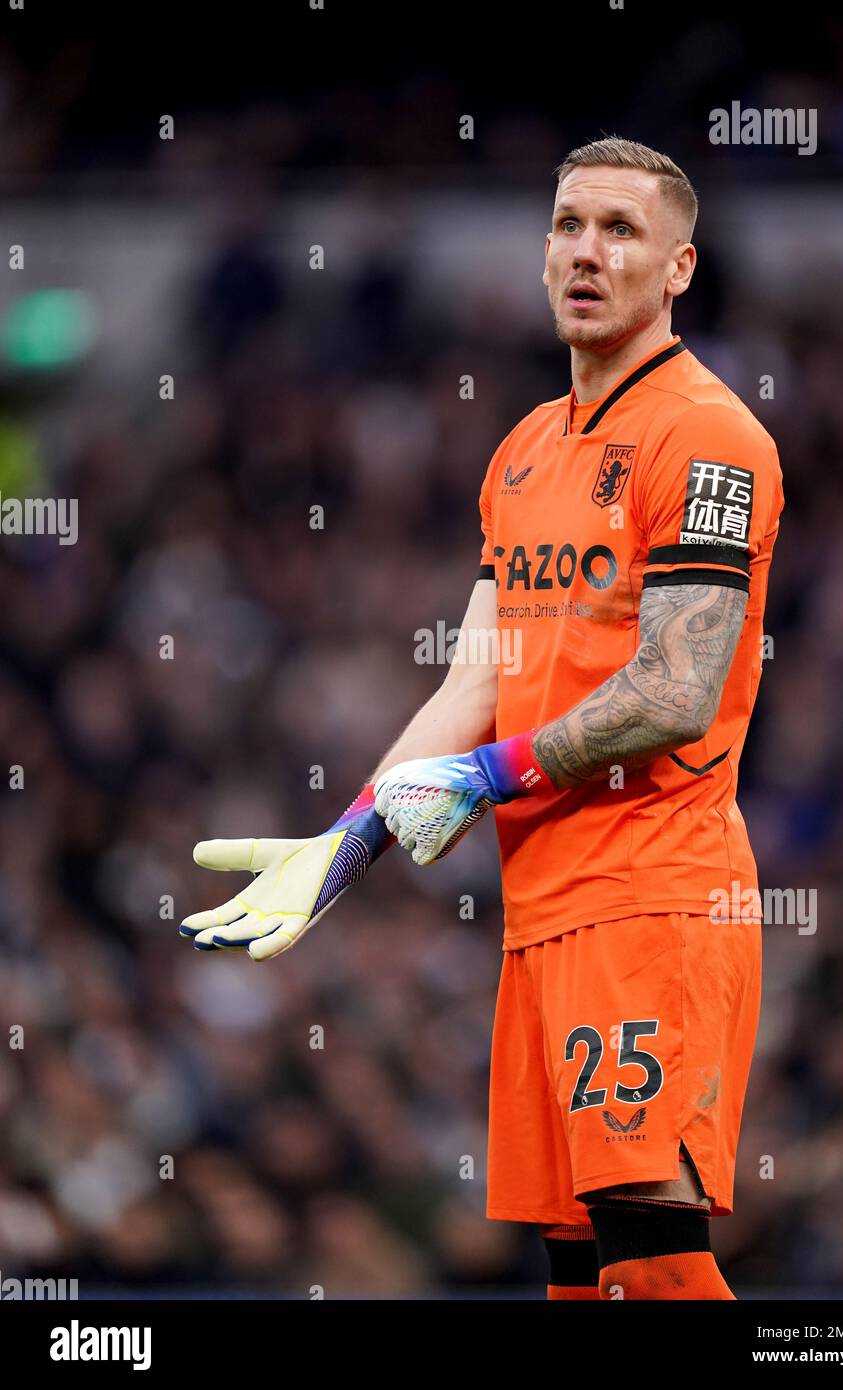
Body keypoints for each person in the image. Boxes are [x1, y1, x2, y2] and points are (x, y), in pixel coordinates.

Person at [181, 136, 783, 1301]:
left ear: (679, 270)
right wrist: (344, 842)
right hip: (540, 912)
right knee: (576, 1277)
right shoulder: (520, 454)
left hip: (652, 894)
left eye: (620, 231)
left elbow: (675, 689)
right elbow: (473, 683)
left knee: (652, 1265)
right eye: (567, 225)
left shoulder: (708, 434)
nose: (586, 252)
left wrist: (488, 779)